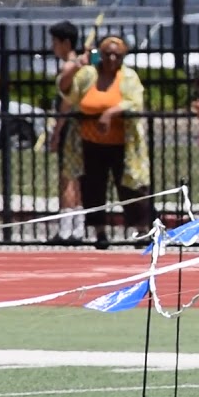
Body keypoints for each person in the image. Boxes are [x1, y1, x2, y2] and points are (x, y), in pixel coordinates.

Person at [60, 35, 150, 249]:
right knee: (93, 187)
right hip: (90, 143)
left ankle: (142, 230)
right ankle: (99, 232)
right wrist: (74, 67)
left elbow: (135, 102)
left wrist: (110, 113)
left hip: (123, 145)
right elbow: (66, 92)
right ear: (100, 54)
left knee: (132, 186)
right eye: (107, 54)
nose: (111, 59)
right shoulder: (88, 75)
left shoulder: (129, 77)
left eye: (117, 55)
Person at [49, 20, 87, 244]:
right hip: (82, 127)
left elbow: (66, 104)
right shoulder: (82, 67)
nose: (53, 47)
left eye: (55, 42)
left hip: (70, 127)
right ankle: (78, 227)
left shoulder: (69, 68)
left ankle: (66, 229)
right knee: (79, 177)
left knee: (67, 178)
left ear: (65, 43)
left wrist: (56, 132)